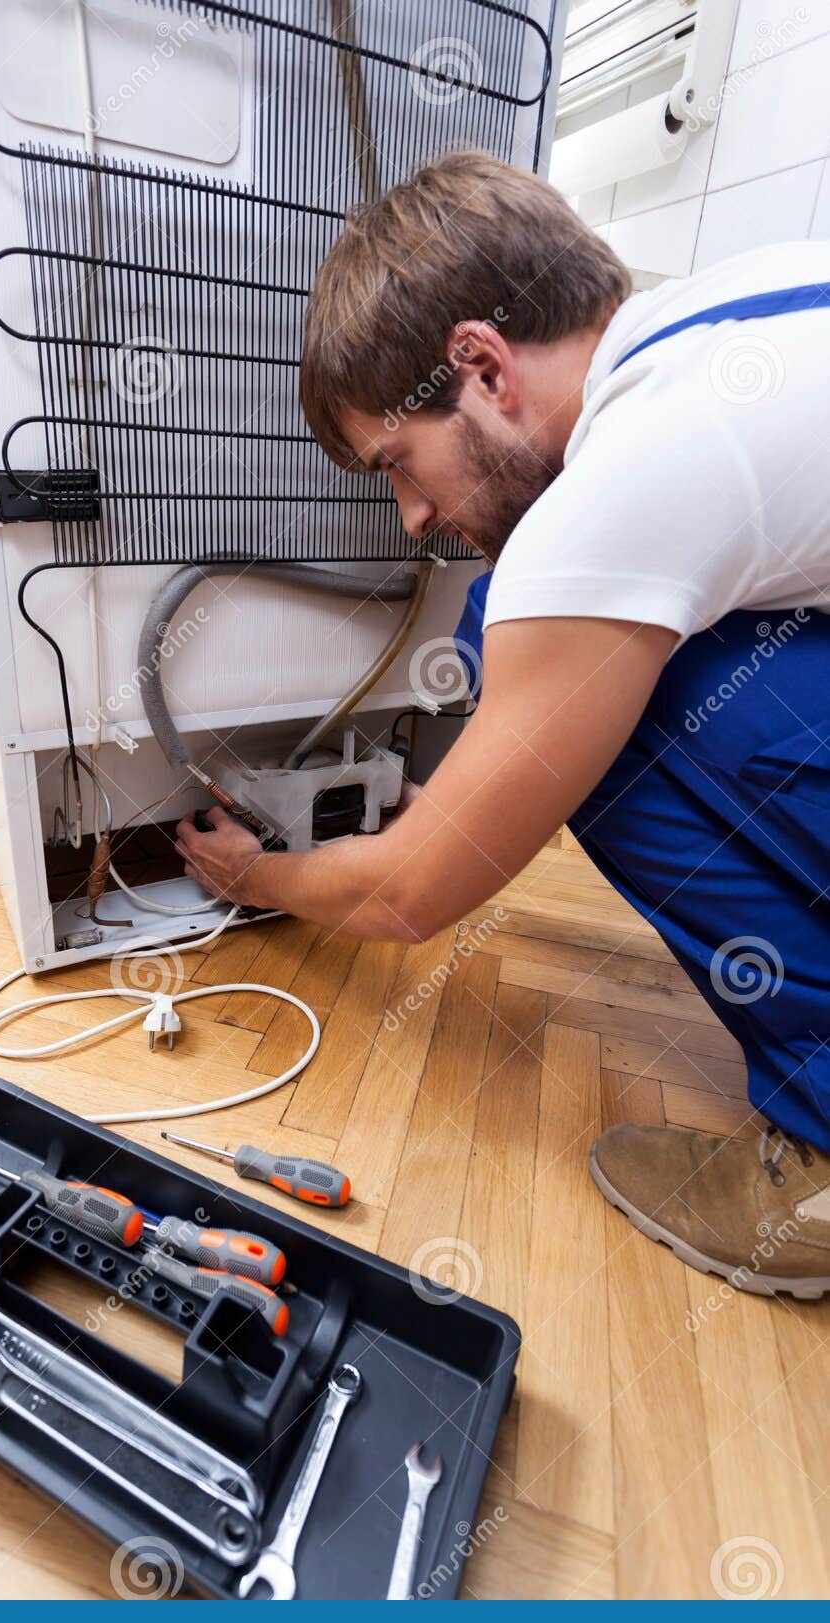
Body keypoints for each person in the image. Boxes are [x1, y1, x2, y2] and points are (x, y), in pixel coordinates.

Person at [175, 151, 830, 1299]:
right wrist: (493, 773)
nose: (413, 514)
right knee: (582, 647)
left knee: (558, 650)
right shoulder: (727, 321)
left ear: (479, 365)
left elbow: (403, 895)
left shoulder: (630, 478)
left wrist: (258, 881)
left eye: (396, 464)